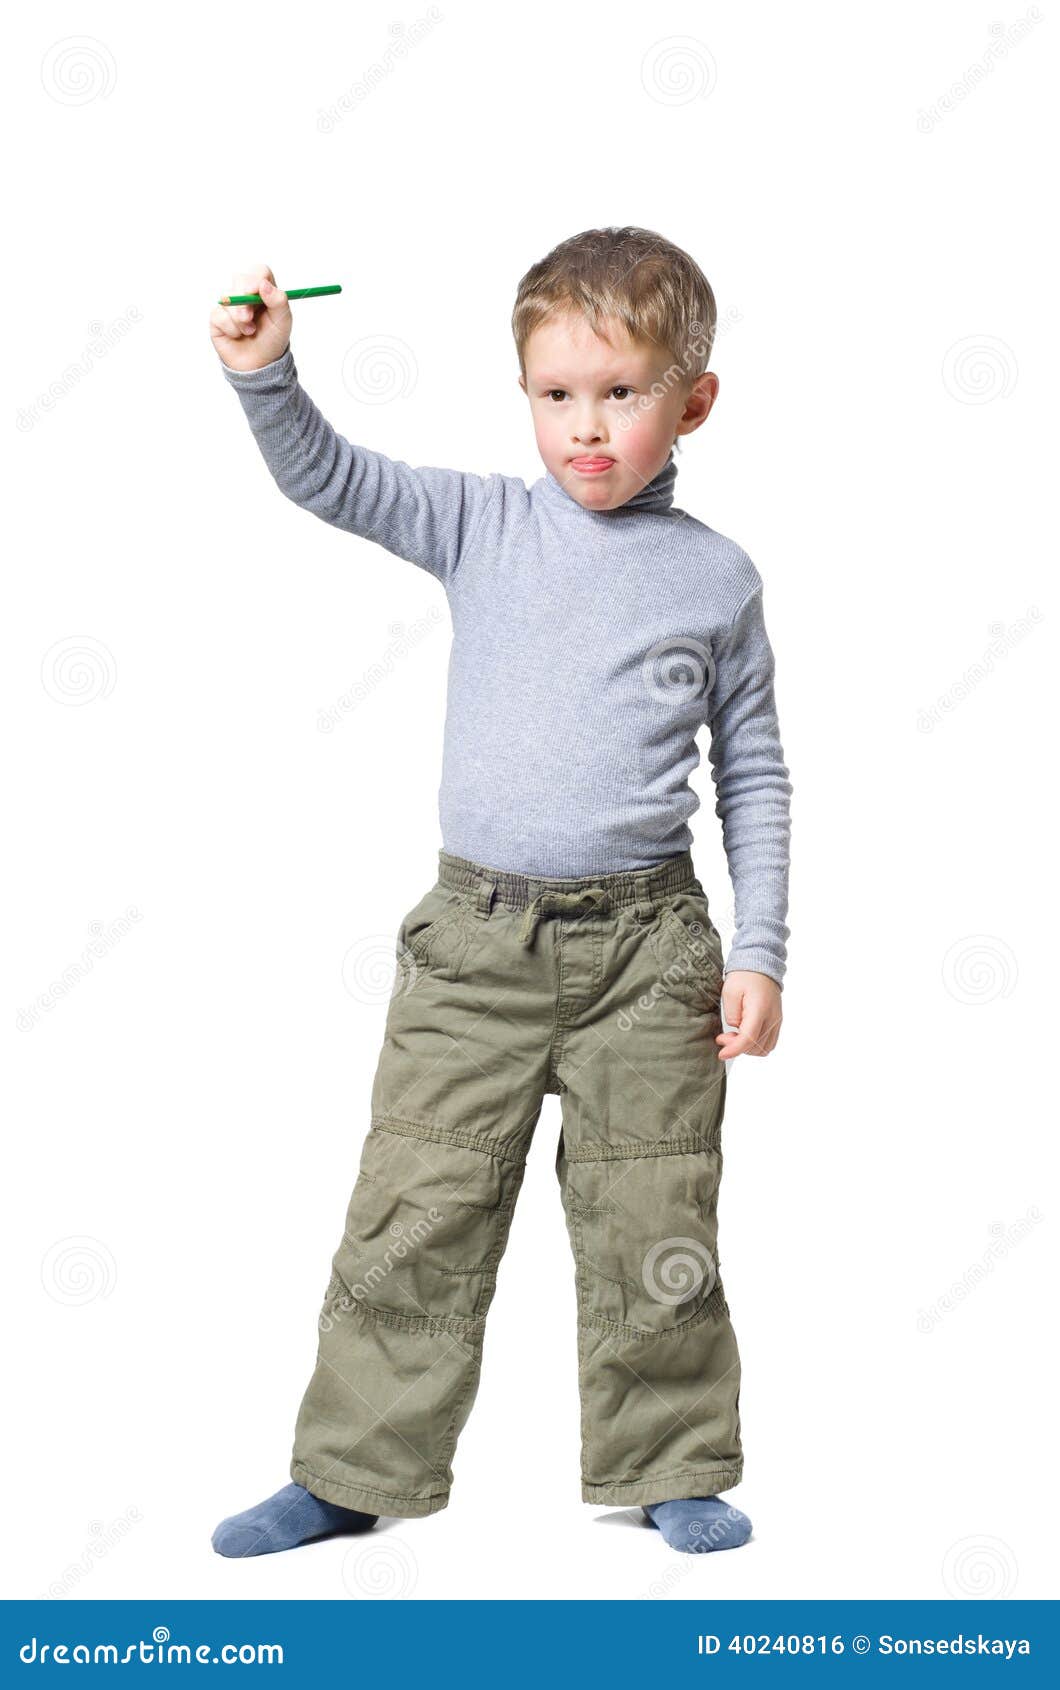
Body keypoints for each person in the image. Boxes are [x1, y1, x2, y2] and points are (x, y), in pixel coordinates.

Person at [208, 227, 792, 1558]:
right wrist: (267, 378)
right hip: (476, 946)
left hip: (653, 951)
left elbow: (754, 770)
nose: (587, 429)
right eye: (556, 394)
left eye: (623, 393)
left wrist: (760, 948)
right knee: (415, 1204)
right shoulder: (481, 520)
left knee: (657, 1211)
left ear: (692, 399)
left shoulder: (717, 576)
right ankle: (353, 1468)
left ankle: (671, 1460)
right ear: (524, 393)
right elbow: (332, 478)